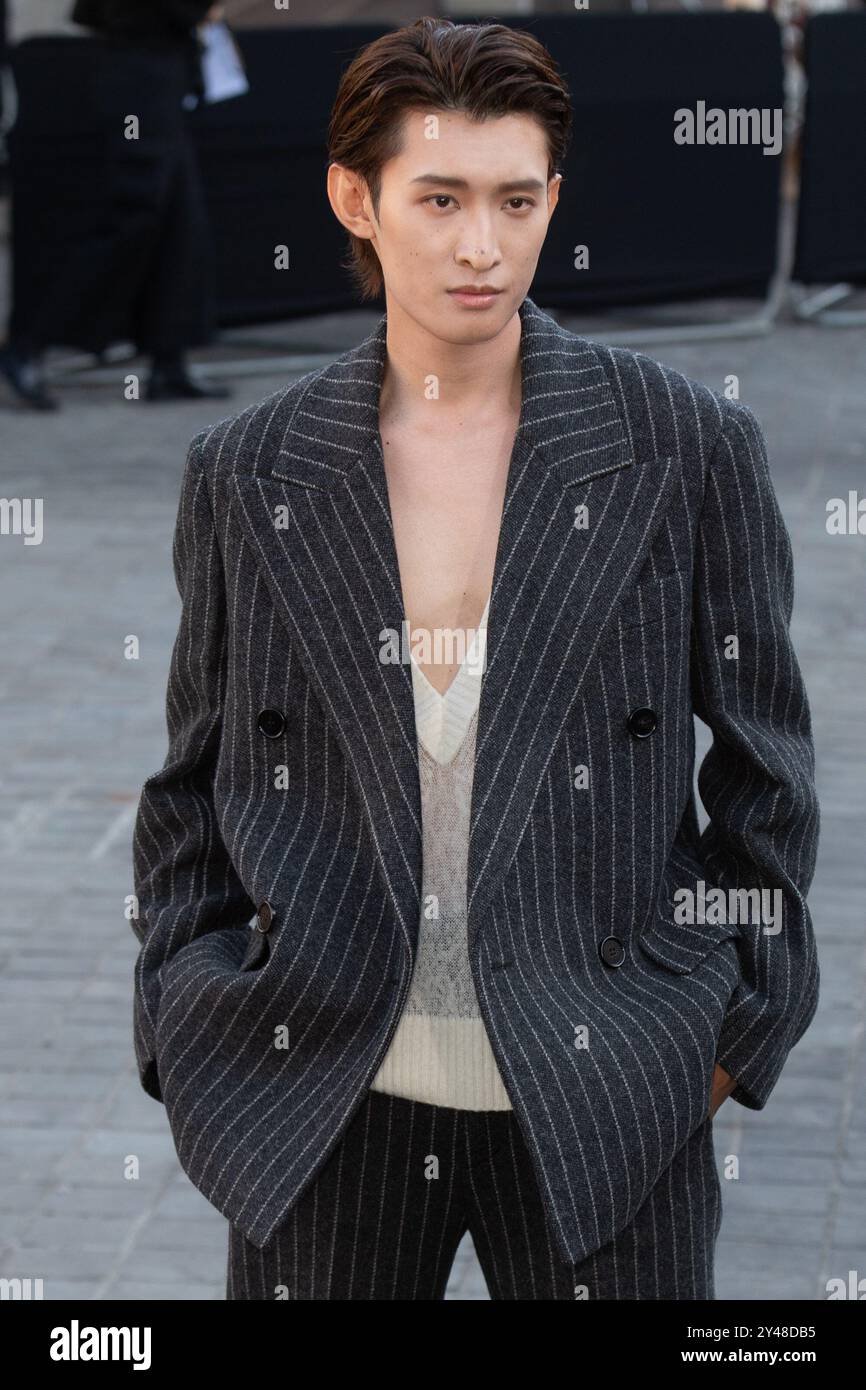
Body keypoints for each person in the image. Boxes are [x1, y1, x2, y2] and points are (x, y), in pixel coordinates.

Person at [131, 17, 820, 1300]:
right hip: (322, 1090)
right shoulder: (248, 470)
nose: (480, 246)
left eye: (515, 200)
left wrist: (725, 1032)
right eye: (438, 198)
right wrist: (188, 1016)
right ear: (354, 198)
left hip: (607, 1087)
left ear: (553, 198)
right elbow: (192, 784)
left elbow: (768, 769)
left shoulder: (681, 448)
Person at [0, 0, 231, 409]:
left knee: (180, 221)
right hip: (139, 78)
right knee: (135, 215)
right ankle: (28, 345)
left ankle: (168, 361)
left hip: (160, 70)